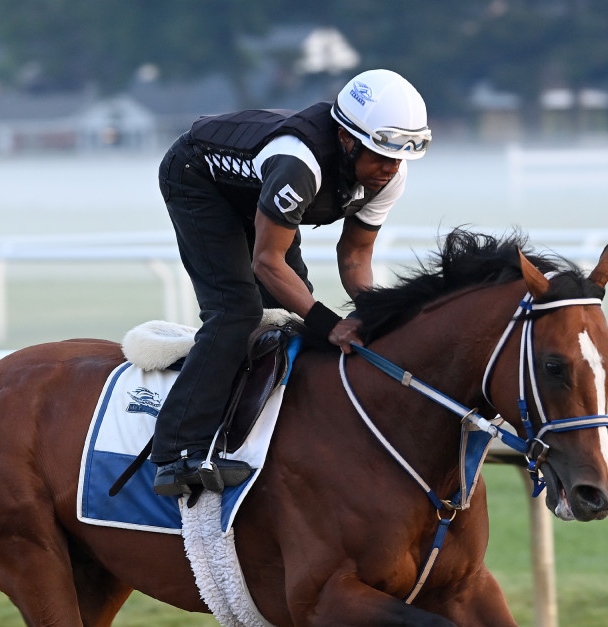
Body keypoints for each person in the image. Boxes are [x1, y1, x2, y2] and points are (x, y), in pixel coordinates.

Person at [150, 68, 431, 497]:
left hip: (258, 194)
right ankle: (177, 451)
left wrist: (377, 313)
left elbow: (355, 256)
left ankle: (275, 433)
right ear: (346, 139)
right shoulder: (300, 162)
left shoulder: (390, 174)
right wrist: (330, 323)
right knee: (236, 313)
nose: (389, 169)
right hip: (198, 180)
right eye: (380, 156)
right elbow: (267, 261)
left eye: (398, 160)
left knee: (289, 317)